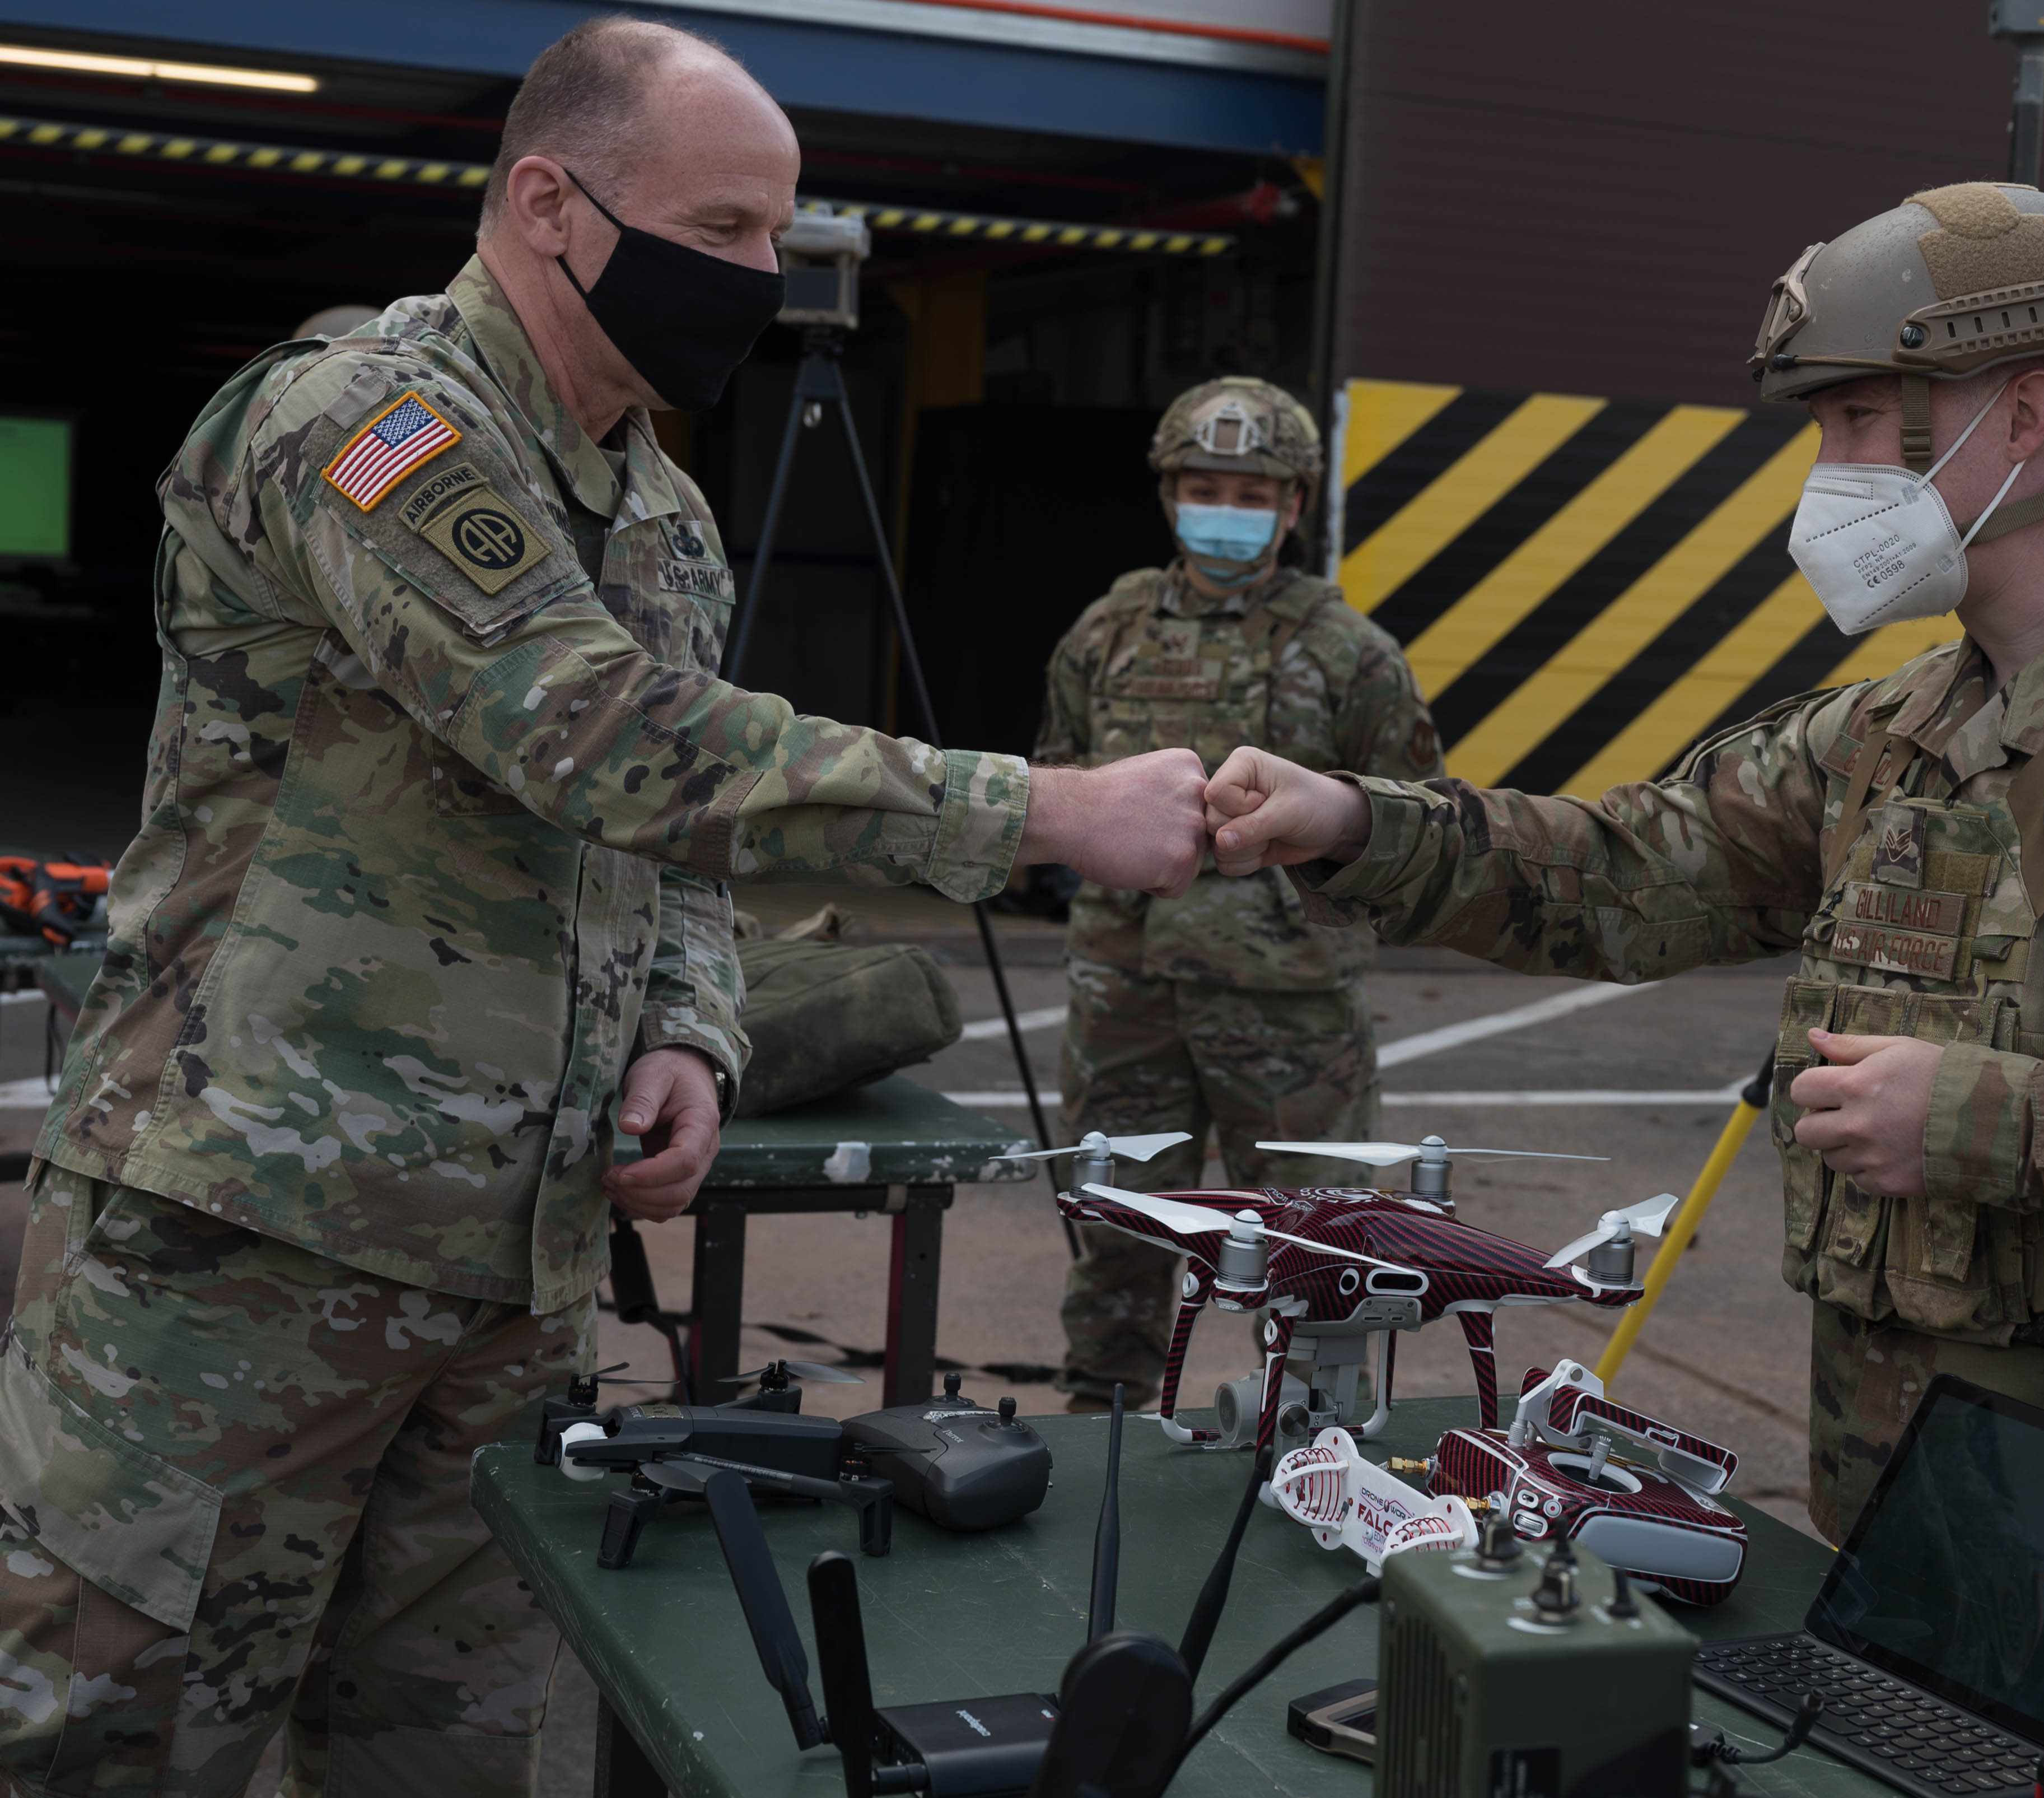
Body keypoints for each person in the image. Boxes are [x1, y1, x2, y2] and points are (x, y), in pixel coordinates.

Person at [0, 20, 1204, 1795]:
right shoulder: (370, 423)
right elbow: (606, 739)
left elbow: (673, 851)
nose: (762, 281)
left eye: (776, 241)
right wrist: (1035, 809)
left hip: (512, 1266)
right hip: (250, 1246)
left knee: (452, 1761)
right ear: (550, 204)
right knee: (115, 1751)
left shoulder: (664, 512)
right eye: (719, 230)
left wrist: (690, 1029)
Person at [1203, 184, 2044, 1736]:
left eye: (1864, 421)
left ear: (2025, 414)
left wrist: (1987, 1117)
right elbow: (1630, 870)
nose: (1828, 475)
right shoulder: (1886, 734)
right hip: (1915, 1538)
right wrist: (1350, 819)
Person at [1037, 378, 1442, 1413]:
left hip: (1292, 1016)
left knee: (1319, 1247)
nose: (1227, 507)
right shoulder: (1103, 635)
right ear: (1171, 493)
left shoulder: (1352, 654)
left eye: (1253, 490)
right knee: (1117, 1236)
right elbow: (1056, 786)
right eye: (1205, 484)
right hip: (1126, 1002)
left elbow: (1409, 827)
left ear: (1295, 505)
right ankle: (1104, 1432)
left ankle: (1313, 1442)